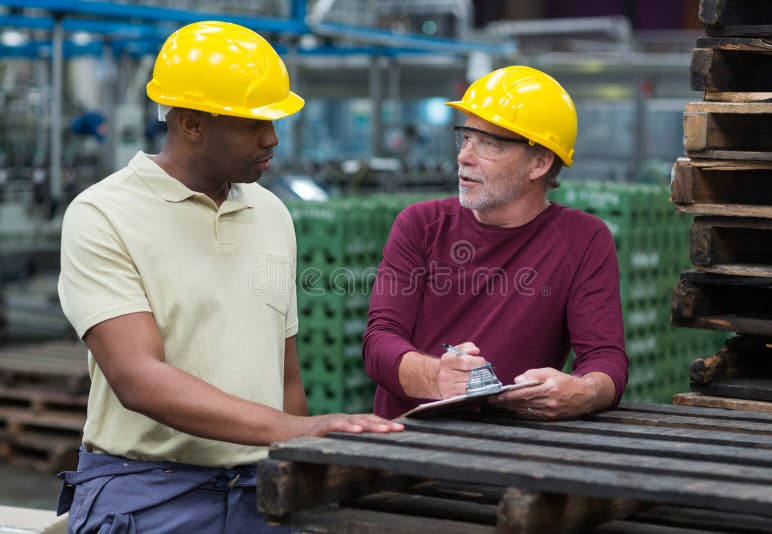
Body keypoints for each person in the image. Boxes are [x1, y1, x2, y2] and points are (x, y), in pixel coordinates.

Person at [56, 21, 402, 533]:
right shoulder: (104, 214)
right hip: (148, 496)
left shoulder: (271, 213)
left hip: (258, 491)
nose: (272, 138)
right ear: (192, 123)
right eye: (252, 124)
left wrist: (297, 458)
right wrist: (292, 429)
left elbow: (284, 373)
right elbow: (137, 378)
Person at [363, 66, 628, 420]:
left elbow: (606, 359)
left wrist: (584, 390)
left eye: (488, 143)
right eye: (466, 137)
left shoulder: (583, 240)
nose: (464, 156)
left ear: (539, 162)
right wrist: (437, 377)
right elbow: (379, 343)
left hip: (512, 445)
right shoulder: (420, 225)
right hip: (408, 437)